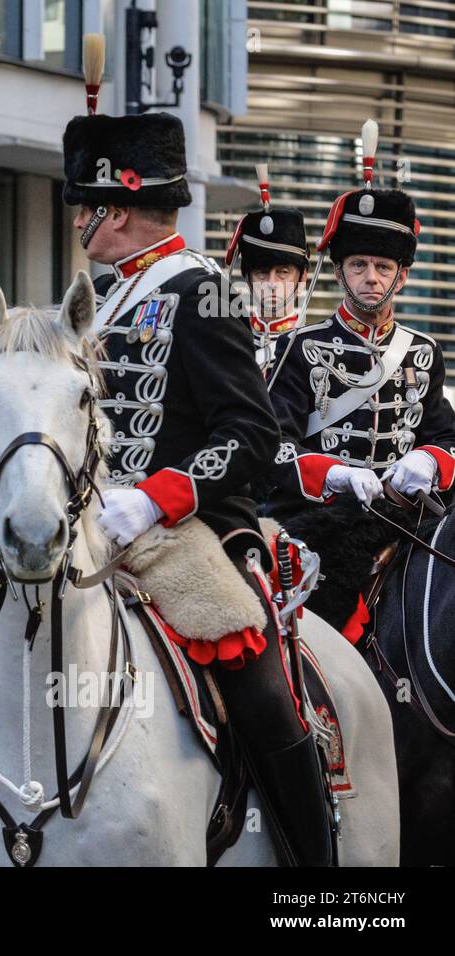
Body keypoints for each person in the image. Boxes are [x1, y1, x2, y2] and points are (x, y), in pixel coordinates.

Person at [62, 53, 332, 864]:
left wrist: (155, 498)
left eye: (87, 206)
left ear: (120, 209)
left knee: (255, 681)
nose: (79, 222)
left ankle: (320, 875)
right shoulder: (96, 300)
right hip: (84, 525)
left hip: (187, 530)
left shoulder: (201, 288)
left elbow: (248, 435)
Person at [264, 119, 455, 515]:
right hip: (319, 516)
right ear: (338, 272)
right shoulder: (299, 347)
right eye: (358, 265)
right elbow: (272, 443)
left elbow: (447, 436)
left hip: (403, 518)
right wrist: (332, 473)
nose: (371, 277)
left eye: (384, 267)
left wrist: (431, 459)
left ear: (401, 277)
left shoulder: (423, 351)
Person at [224, 163, 309, 375]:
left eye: (283, 272)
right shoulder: (229, 341)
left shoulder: (312, 346)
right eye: (262, 272)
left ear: (302, 279)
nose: (272, 283)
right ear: (248, 279)